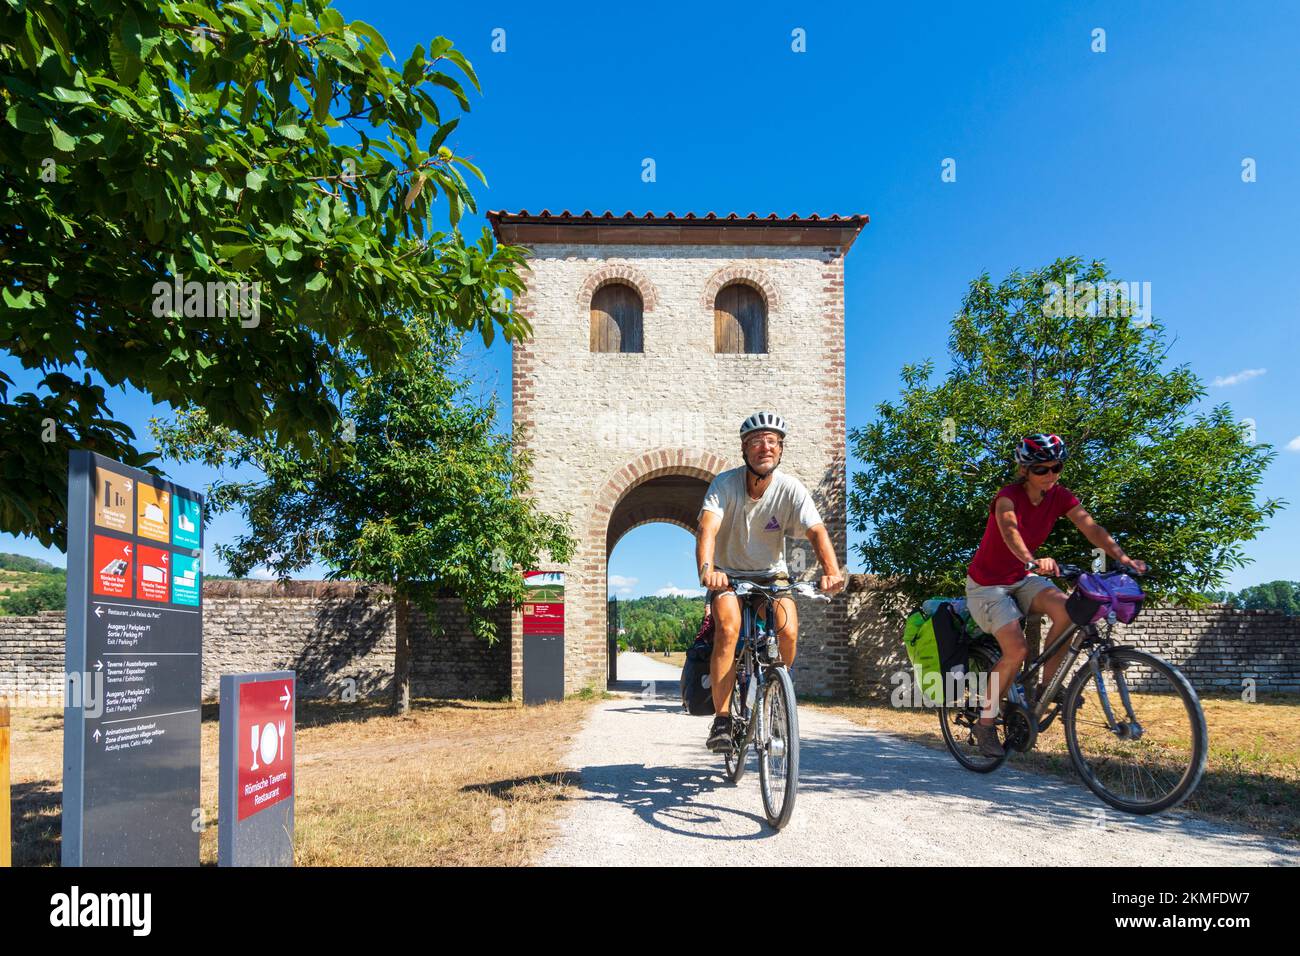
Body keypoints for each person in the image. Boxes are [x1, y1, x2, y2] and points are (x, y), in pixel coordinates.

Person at [965, 433, 1147, 757]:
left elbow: (1091, 527)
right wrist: (1031, 560)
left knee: (1069, 611)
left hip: (1022, 578)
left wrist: (1123, 558)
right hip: (987, 585)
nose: (1050, 474)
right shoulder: (1007, 497)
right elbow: (1010, 531)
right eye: (1041, 469)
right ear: (1025, 470)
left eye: (1056, 467)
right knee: (1017, 649)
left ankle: (1045, 690)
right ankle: (985, 723)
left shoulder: (1060, 496)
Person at [695, 411, 845, 752]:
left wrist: (831, 571)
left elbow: (816, 530)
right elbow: (707, 528)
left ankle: (778, 692)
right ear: (745, 449)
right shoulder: (725, 484)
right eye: (757, 441)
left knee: (788, 628)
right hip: (728, 573)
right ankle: (722, 719)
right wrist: (707, 568)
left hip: (771, 574)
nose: (766, 447)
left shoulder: (790, 488)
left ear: (780, 449)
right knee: (729, 630)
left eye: (773, 442)